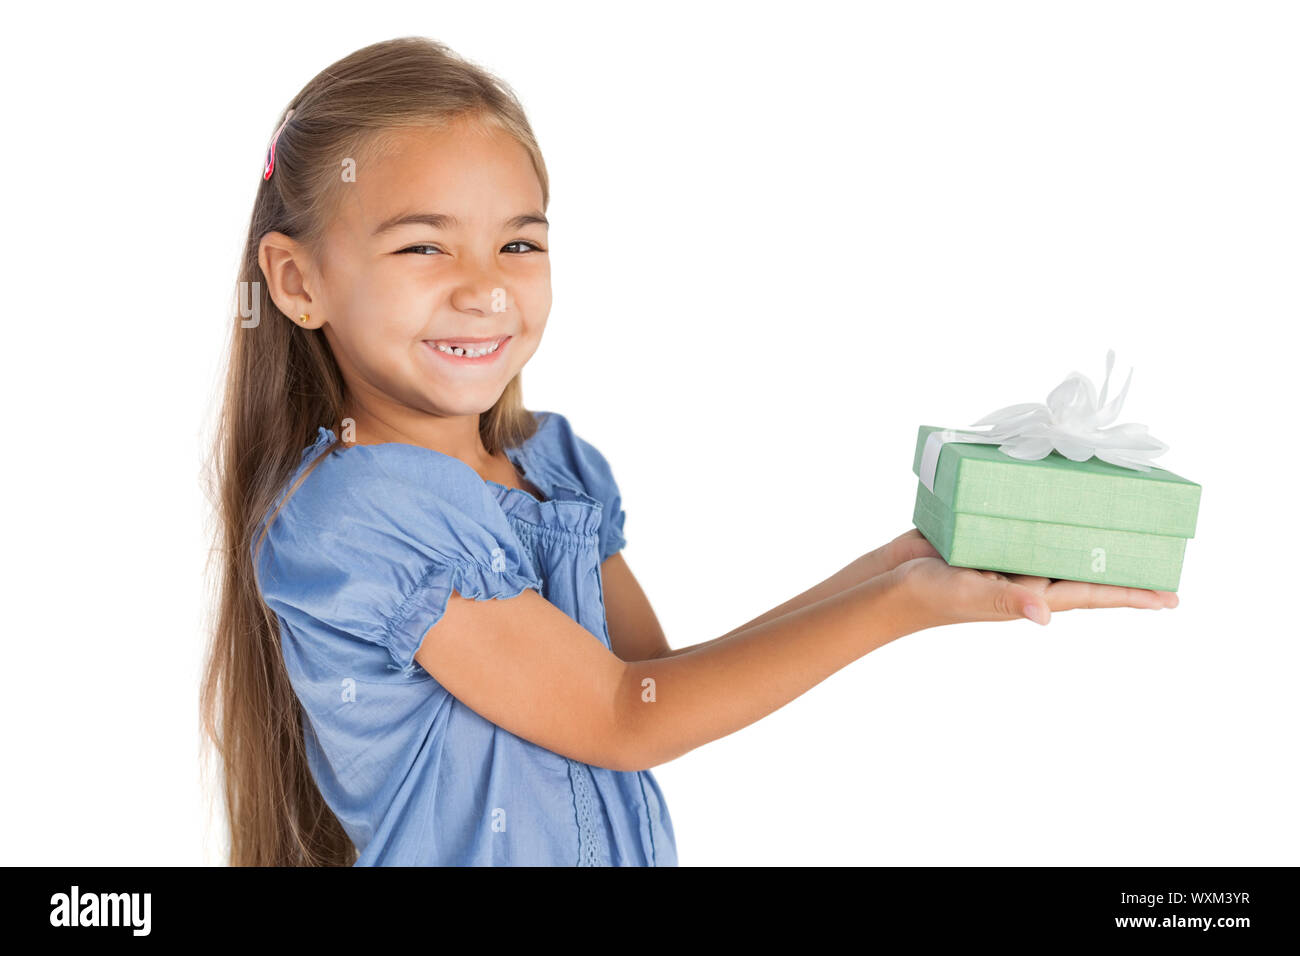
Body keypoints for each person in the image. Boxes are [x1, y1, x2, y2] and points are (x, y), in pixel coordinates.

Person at [200, 36, 1178, 867]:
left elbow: (655, 674)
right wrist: (899, 606)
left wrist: (898, 564)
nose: (485, 289)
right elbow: (624, 714)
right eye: (424, 247)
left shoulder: (550, 466)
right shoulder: (357, 512)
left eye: (519, 245)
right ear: (296, 282)